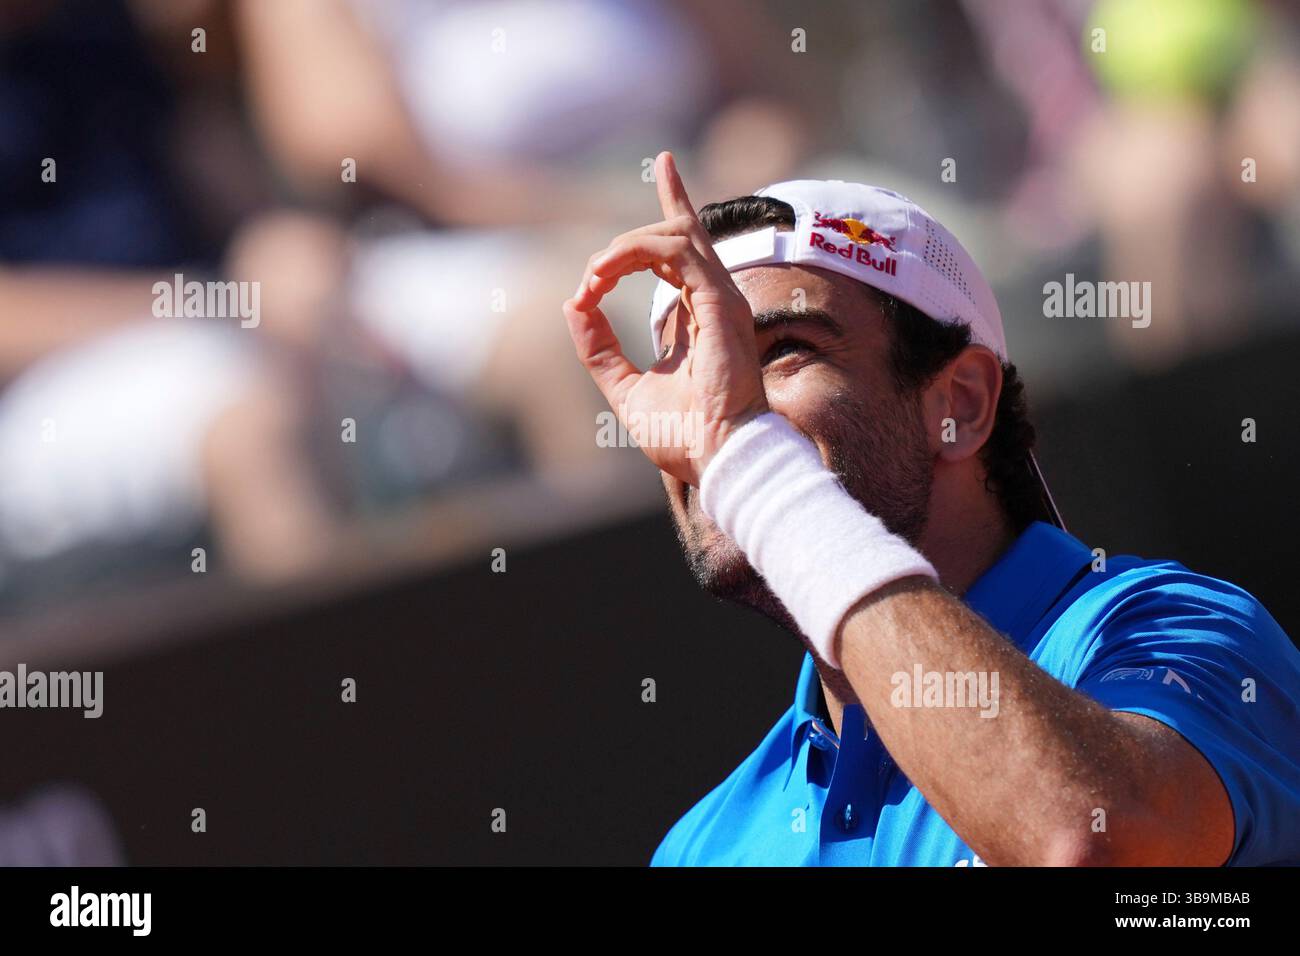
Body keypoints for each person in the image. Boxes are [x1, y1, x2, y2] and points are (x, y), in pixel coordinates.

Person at [562, 152, 1300, 866]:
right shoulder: (704, 850)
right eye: (687, 373)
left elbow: (1091, 846)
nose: (713, 414)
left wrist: (757, 468)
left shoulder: (1181, 632)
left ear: (961, 404)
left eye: (782, 350)